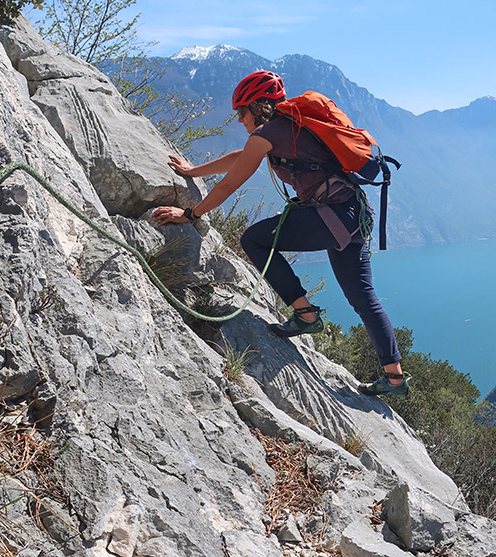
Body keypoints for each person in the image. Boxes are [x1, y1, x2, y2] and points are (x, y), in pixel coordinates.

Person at [151, 70, 410, 398]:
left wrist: (189, 214)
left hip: (331, 216)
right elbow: (241, 158)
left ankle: (305, 313)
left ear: (257, 107)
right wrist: (192, 171)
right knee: (363, 298)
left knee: (254, 239)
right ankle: (395, 377)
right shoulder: (288, 126)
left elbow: (231, 182)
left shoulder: (272, 130)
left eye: (241, 112)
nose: (239, 119)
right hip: (353, 215)